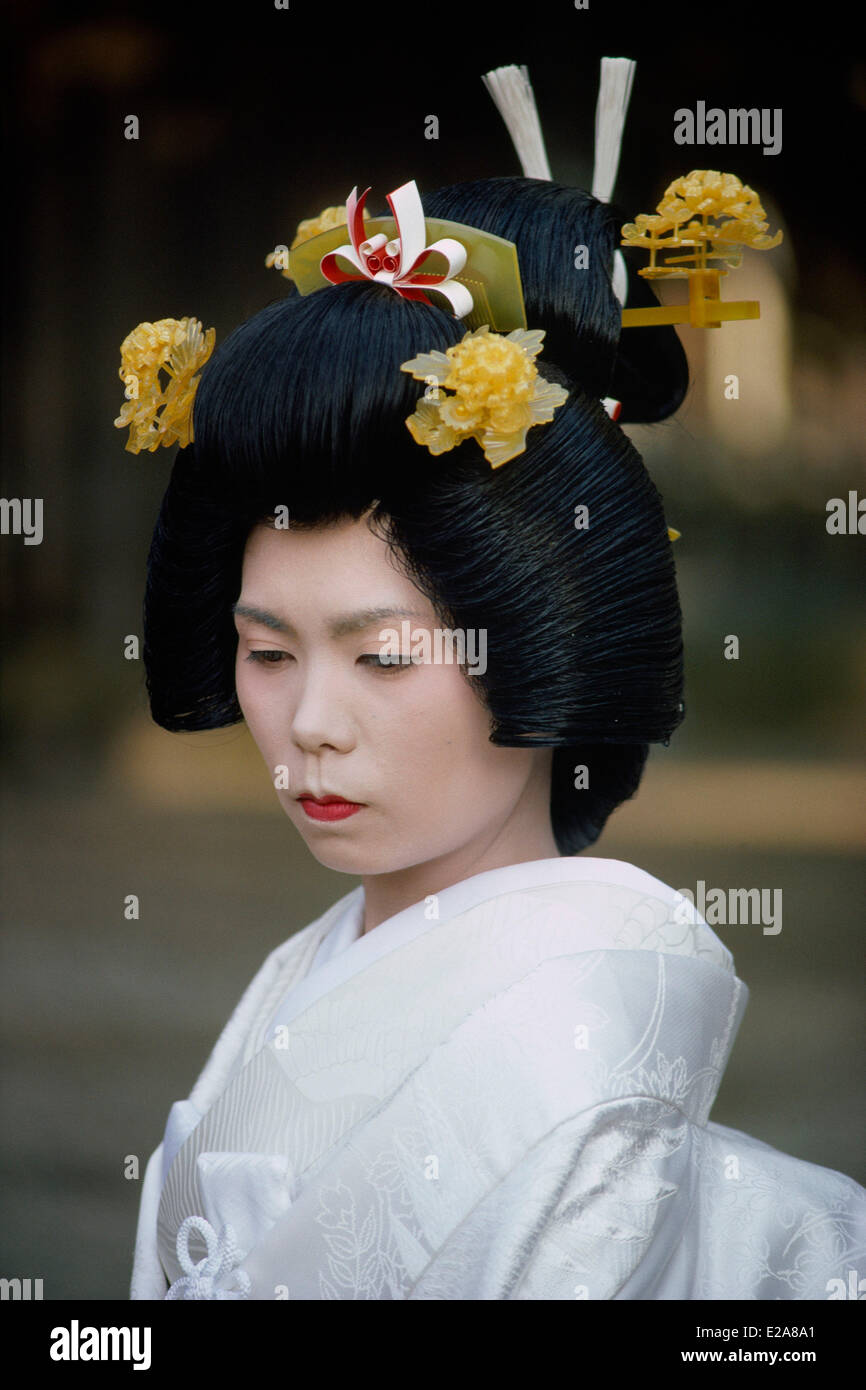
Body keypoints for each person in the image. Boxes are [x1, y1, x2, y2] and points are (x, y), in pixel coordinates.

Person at [120, 64, 866, 1301]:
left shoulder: (577, 1067)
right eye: (266, 653)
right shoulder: (311, 972)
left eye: (379, 655)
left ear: (542, 644)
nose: (307, 723)